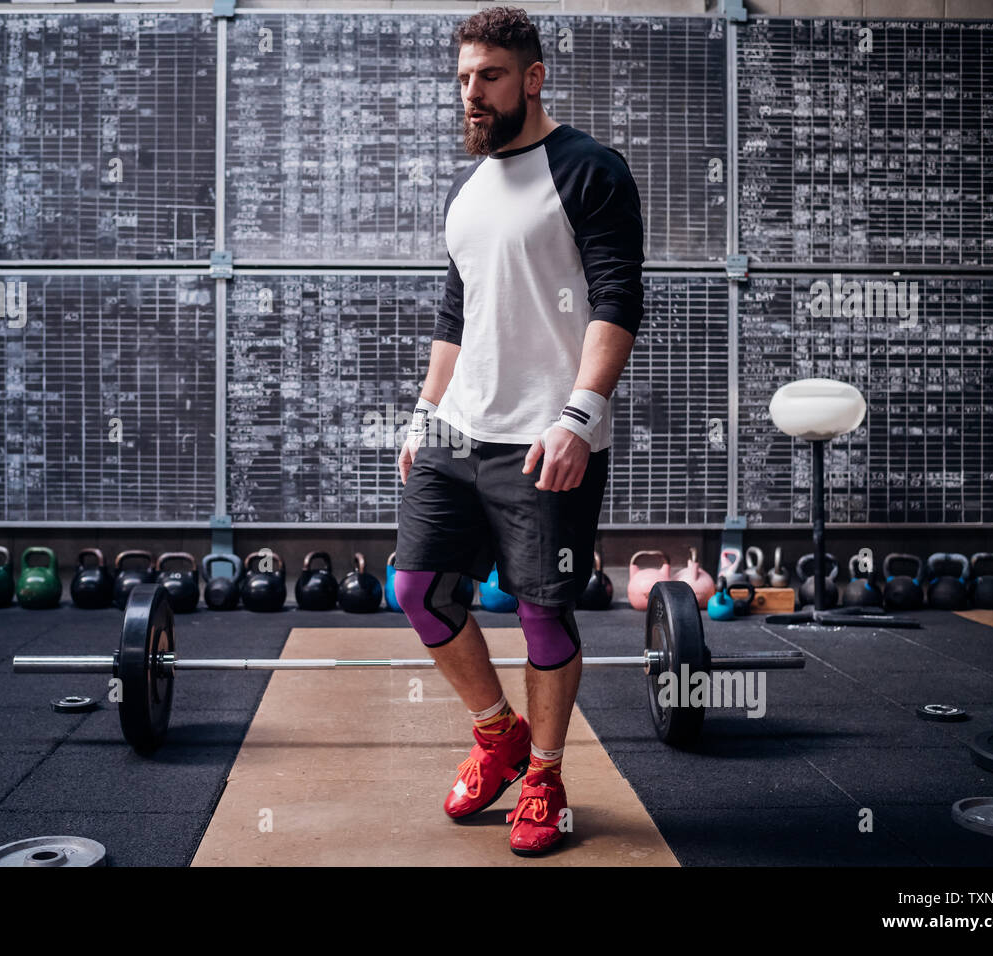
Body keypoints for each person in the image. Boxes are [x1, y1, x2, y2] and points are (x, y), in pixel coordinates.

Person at [393, 7, 644, 857]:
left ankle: (543, 773)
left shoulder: (591, 171)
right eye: (464, 78)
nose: (472, 93)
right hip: (459, 431)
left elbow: (616, 302)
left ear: (532, 78)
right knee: (420, 589)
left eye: (489, 76)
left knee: (544, 613)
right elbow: (454, 316)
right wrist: (427, 415)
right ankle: (494, 733)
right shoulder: (466, 194)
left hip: (546, 436)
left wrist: (582, 416)